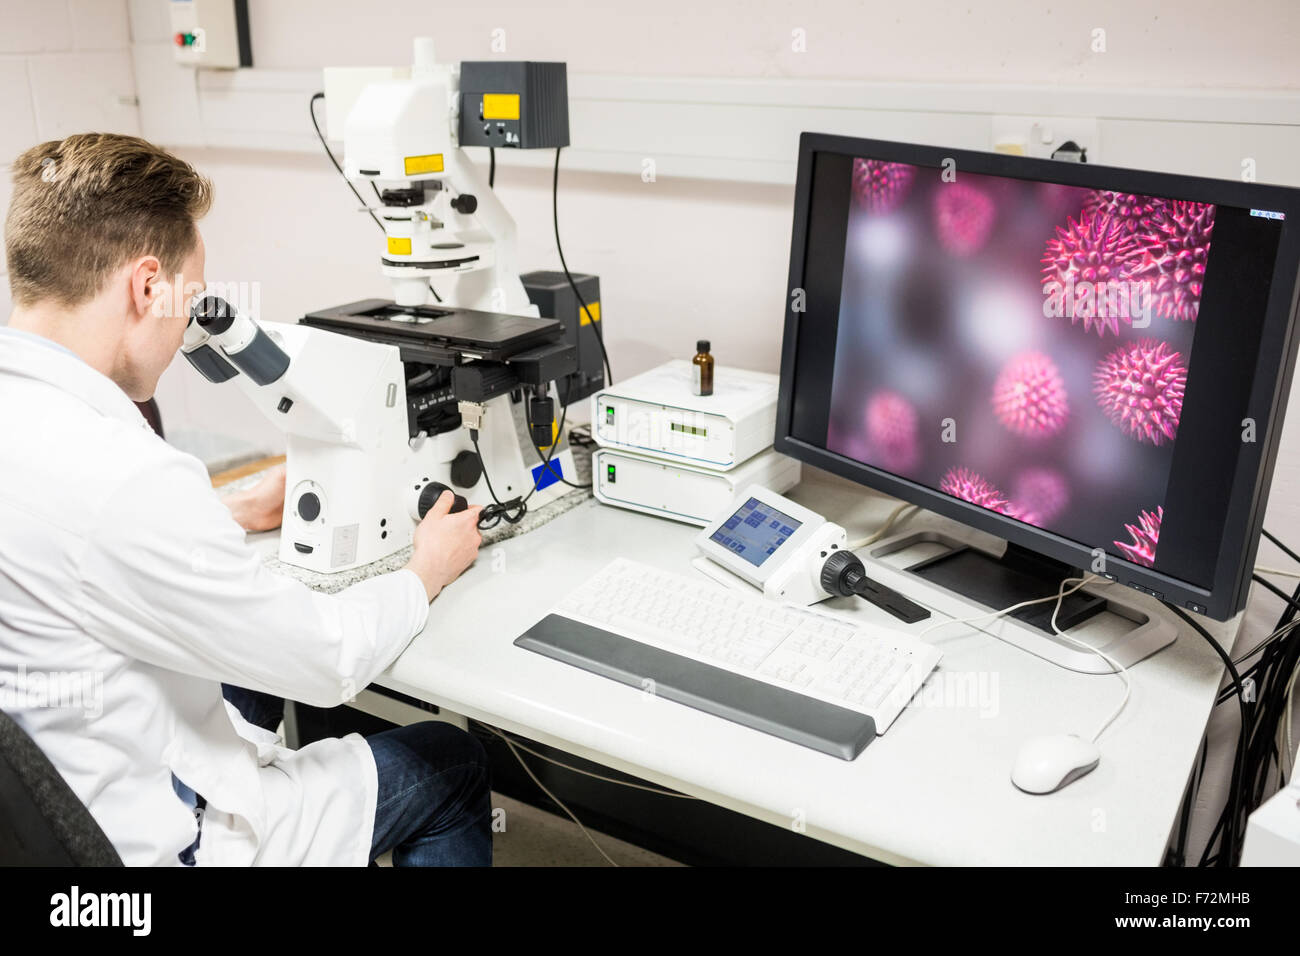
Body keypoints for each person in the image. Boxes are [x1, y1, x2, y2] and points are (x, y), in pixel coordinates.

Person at [0, 132, 492, 866]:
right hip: (153, 844)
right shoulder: (128, 477)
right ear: (145, 287)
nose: (186, 329)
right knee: (450, 764)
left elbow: (66, 543)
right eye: (189, 302)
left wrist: (228, 517)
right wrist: (426, 569)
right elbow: (328, 662)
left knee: (250, 688)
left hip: (61, 786)